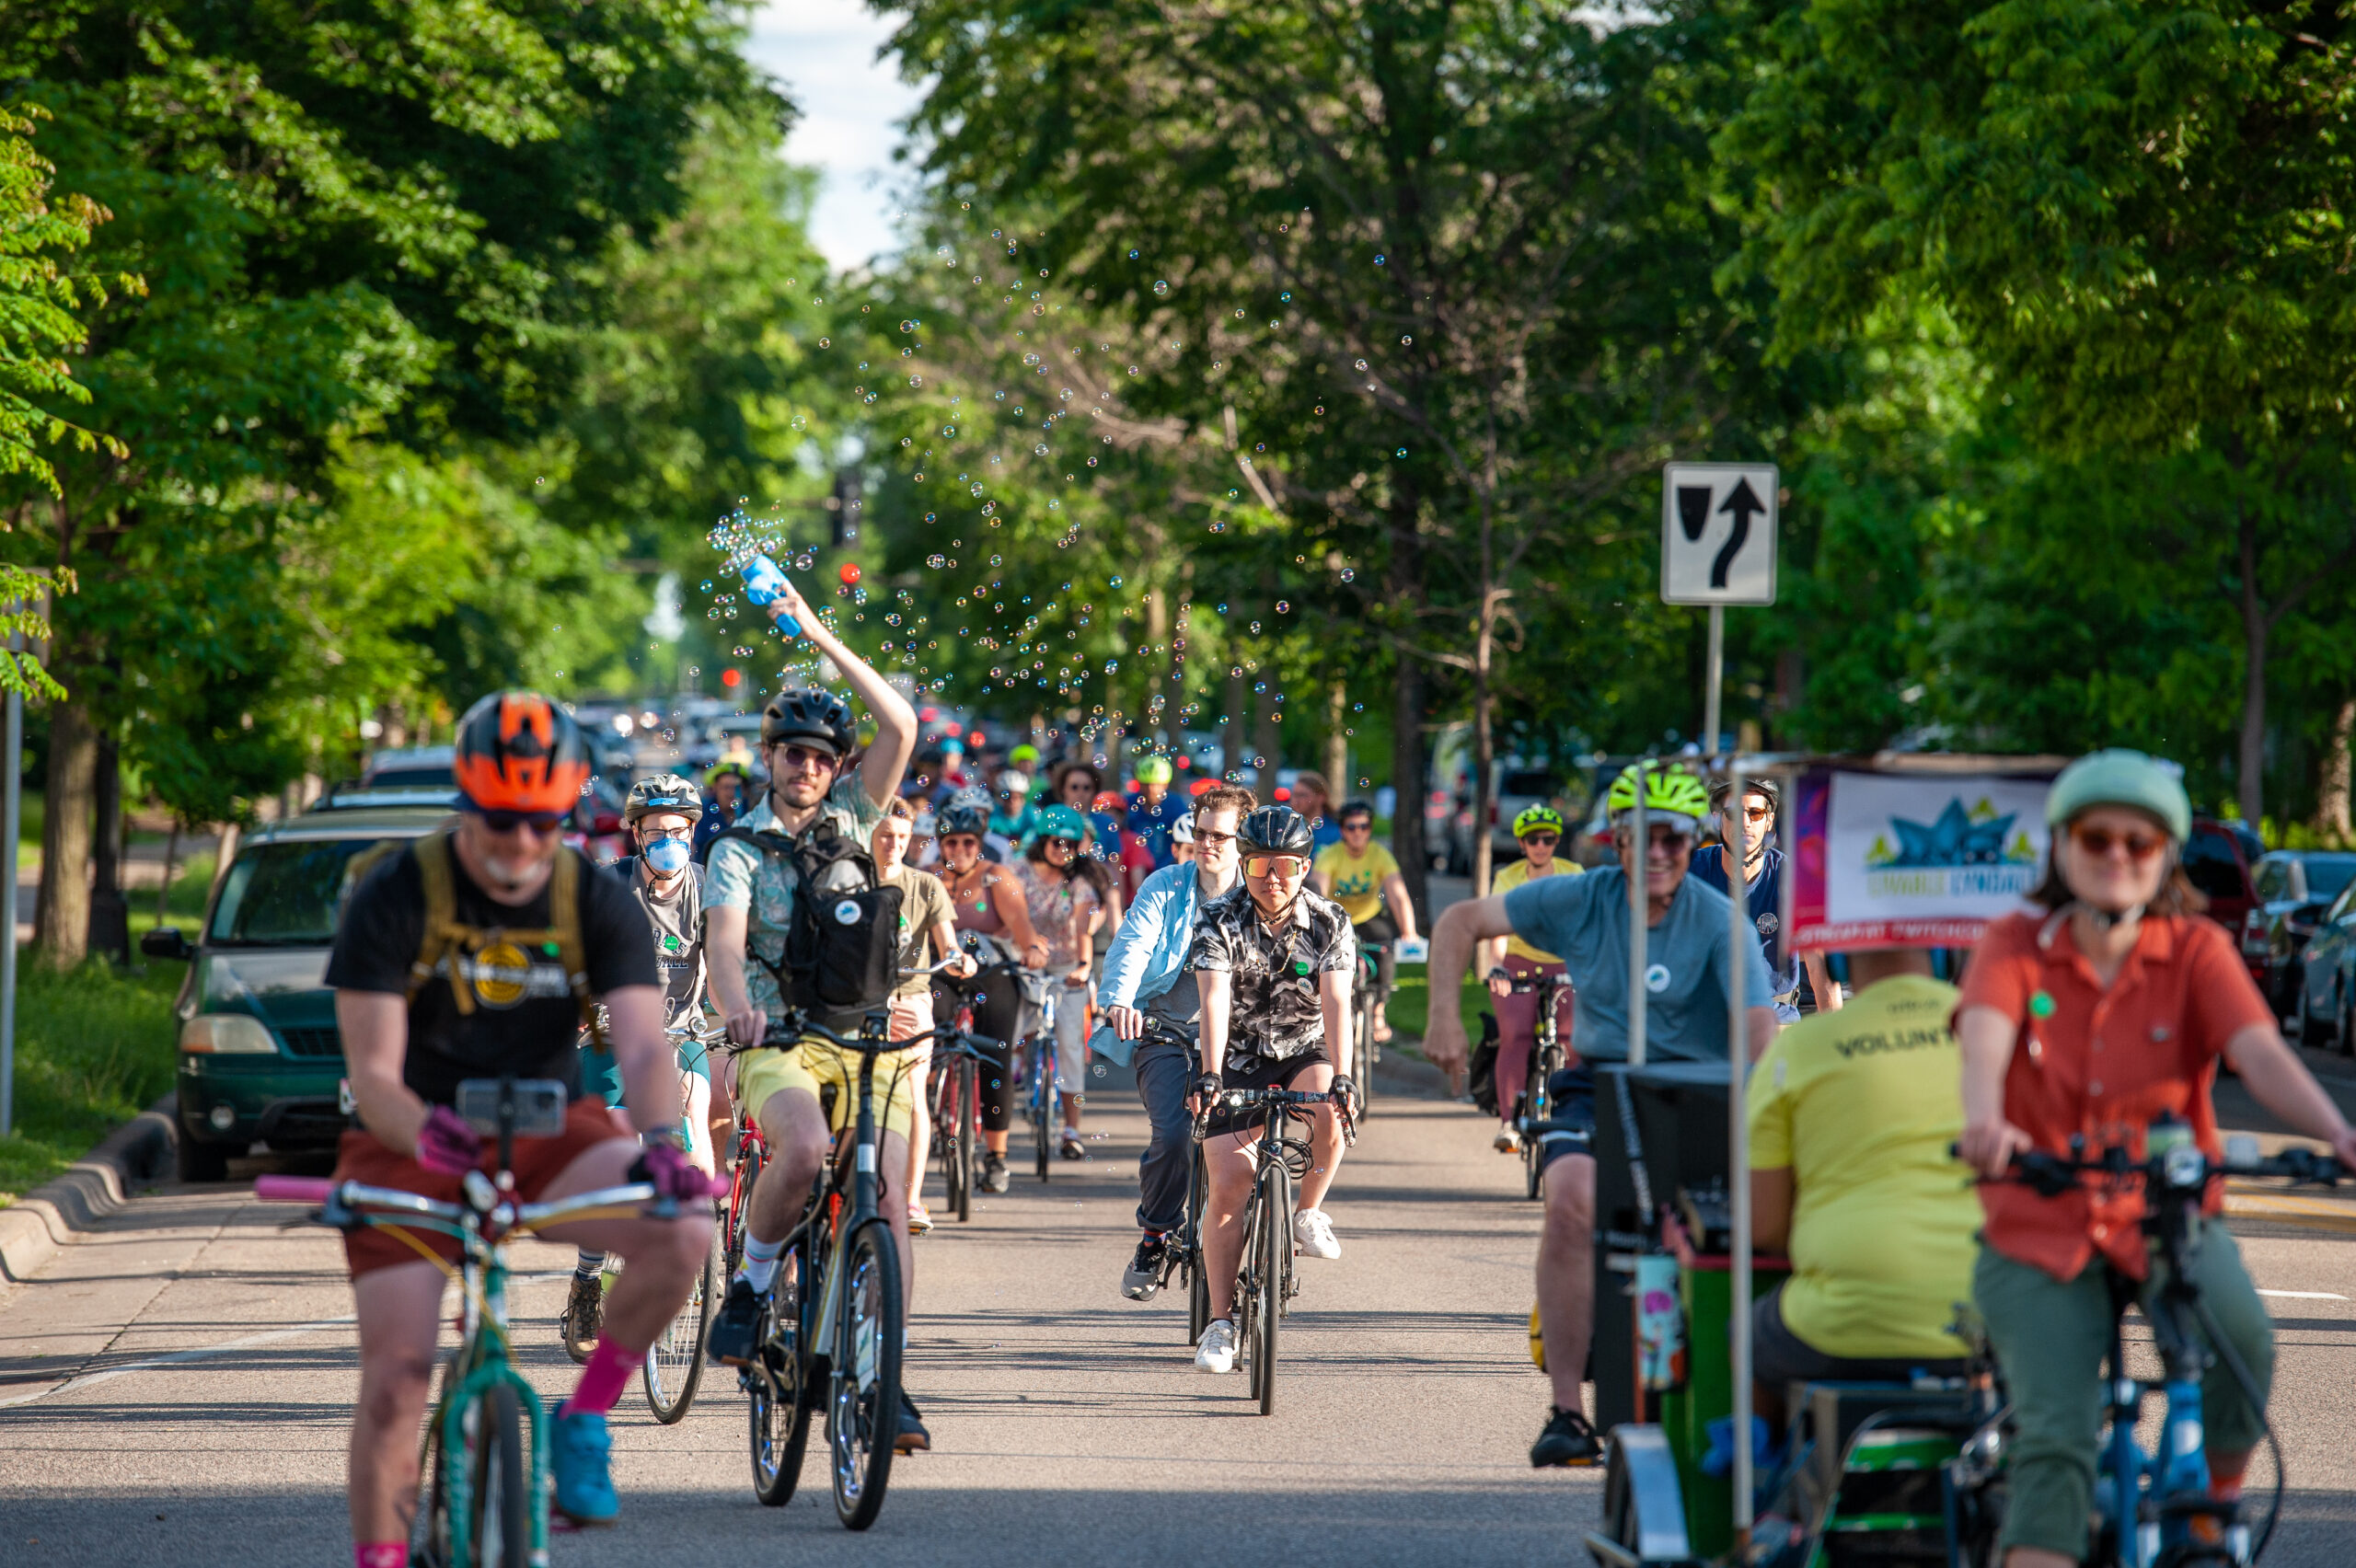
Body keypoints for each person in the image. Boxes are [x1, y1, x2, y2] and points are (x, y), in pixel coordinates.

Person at [327, 692, 718, 1547]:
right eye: (501, 821)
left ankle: (584, 1417)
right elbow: (375, 1075)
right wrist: (431, 1139)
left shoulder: (595, 898)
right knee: (395, 1384)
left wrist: (663, 1147)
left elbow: (649, 1053)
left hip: (547, 1127)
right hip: (411, 1137)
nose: (522, 843)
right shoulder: (395, 890)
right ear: (466, 802)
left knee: (685, 1228)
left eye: (543, 822)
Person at [1954, 750, 2356, 1568]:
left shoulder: (2197, 950)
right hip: (2039, 1224)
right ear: (2061, 847)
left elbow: (2262, 1053)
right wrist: (1986, 1125)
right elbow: (1984, 1046)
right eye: (2096, 839)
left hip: (2166, 1217)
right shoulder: (2012, 945)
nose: (2117, 858)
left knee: (2243, 1343)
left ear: (2167, 853)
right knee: (2055, 1449)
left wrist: (2339, 1135)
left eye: (2140, 843)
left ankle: (2208, 1508)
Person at [1422, 761, 1776, 1467]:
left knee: (1733, 1226)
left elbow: (1759, 1032)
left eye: (1673, 839)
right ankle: (1566, 1413)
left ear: (1691, 841)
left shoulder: (1719, 923)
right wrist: (1443, 1019)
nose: (1655, 854)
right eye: (1638, 836)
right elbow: (1461, 920)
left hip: (1698, 1087)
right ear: (1614, 839)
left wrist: (1759, 1107)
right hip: (1601, 1083)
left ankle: (1733, 1405)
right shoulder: (1581, 898)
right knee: (1572, 1199)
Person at [701, 565, 936, 1451]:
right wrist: (739, 1014)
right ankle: (755, 1286)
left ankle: (886, 1379)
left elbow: (903, 723)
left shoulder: (855, 811)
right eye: (790, 753)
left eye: (820, 755)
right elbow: (726, 947)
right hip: (779, 1037)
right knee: (801, 1151)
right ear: (768, 761)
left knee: (879, 1196)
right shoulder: (735, 848)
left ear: (838, 769)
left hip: (866, 1033)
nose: (806, 767)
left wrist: (813, 629)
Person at [1747, 947, 1978, 1427]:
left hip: (1842, 1322)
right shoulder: (1991, 1033)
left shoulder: (1798, 1048)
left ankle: (1764, 1488)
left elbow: (1764, 1230)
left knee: (1742, 1334)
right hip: (1986, 1314)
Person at [1187, 804, 1359, 1374]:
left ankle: (1308, 1211)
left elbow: (1337, 1003)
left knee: (1330, 1113)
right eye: (1260, 862)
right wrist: (1211, 1073)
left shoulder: (1331, 921)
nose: (1273, 876)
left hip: (1302, 1049)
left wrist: (1344, 1077)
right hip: (1234, 1054)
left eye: (1286, 865)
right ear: (1245, 862)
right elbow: (1213, 998)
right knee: (1231, 1182)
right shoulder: (1218, 918)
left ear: (1304, 866)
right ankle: (1218, 1322)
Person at [562, 772, 720, 1364]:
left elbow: (725, 970)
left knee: (697, 1141)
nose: (668, 844)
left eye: (679, 832)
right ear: (635, 835)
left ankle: (698, 1268)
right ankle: (587, 1281)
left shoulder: (706, 893)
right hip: (610, 1034)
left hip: (681, 1034)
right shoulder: (607, 889)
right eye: (656, 833)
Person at [1099, 784, 1255, 1299]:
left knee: (1256, 1142)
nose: (1207, 844)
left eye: (1220, 836)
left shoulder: (1260, 895)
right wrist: (1120, 999)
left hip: (1237, 1043)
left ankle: (1268, 1228)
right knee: (1172, 1136)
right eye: (1201, 833)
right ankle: (1156, 1233)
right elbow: (1132, 944)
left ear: (1243, 842)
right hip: (1166, 1035)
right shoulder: (1165, 886)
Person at [930, 800, 1049, 1193]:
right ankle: (937, 1104)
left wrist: (1032, 948)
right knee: (928, 1041)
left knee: (996, 1057)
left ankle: (996, 1157)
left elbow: (1022, 926)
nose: (959, 850)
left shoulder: (996, 877)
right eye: (951, 843)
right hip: (941, 974)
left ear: (979, 844)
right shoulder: (926, 877)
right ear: (940, 844)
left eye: (968, 842)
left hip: (992, 972)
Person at [871, 798, 974, 1235]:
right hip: (860, 1002)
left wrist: (958, 961)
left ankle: (911, 1199)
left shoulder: (926, 886)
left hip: (911, 997)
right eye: (885, 836)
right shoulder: (851, 882)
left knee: (914, 1096)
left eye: (902, 837)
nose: (894, 845)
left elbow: (947, 943)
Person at [1691, 777, 1842, 1020]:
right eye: (1733, 813)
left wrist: (1838, 1042)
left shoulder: (1794, 877)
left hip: (1775, 1017)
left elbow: (1819, 967)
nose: (1745, 822)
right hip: (1704, 1019)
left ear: (1769, 820)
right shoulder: (1691, 872)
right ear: (1718, 818)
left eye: (1756, 813)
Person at [1482, 804, 1580, 1154]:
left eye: (1549, 839)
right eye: (1533, 839)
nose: (1541, 845)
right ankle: (1509, 1122)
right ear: (1522, 844)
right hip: (1518, 964)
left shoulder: (1573, 873)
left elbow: (1583, 924)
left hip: (1562, 962)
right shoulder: (1508, 877)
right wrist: (1496, 966)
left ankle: (1575, 1116)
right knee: (1516, 1034)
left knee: (1572, 1038)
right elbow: (1498, 928)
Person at [1012, 803, 1107, 1159]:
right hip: (1025, 963)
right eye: (1055, 841)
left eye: (1069, 843)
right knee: (1010, 1028)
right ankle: (1017, 1066)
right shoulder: (1018, 872)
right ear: (1042, 839)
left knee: (1070, 1046)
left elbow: (1084, 928)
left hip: (1066, 969)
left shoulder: (1079, 881)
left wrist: (1084, 966)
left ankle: (1071, 1129)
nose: (1062, 849)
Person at [1311, 799, 1421, 1044]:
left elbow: (1398, 895)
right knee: (1321, 954)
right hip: (1337, 918)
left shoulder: (1380, 855)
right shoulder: (1330, 855)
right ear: (1342, 830)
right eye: (1351, 827)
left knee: (1384, 947)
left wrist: (1409, 930)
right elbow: (1318, 889)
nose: (1358, 832)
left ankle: (1378, 1009)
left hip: (1369, 916)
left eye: (1364, 826)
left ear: (1370, 829)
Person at [1126, 755, 1188, 869]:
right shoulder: (1128, 803)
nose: (1151, 789)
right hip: (1135, 869)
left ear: (1166, 784)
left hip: (1167, 867)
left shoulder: (1175, 805)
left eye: (1156, 784)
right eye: (1146, 784)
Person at [694, 760, 754, 864]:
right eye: (726, 787)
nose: (731, 793)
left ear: (746, 791)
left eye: (736, 788)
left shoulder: (752, 812)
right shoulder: (702, 812)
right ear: (715, 788)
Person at [1289, 769, 1343, 851]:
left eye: (1302, 795)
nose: (1296, 800)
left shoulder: (1336, 830)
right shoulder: (1287, 828)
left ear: (1321, 797)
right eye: (1294, 794)